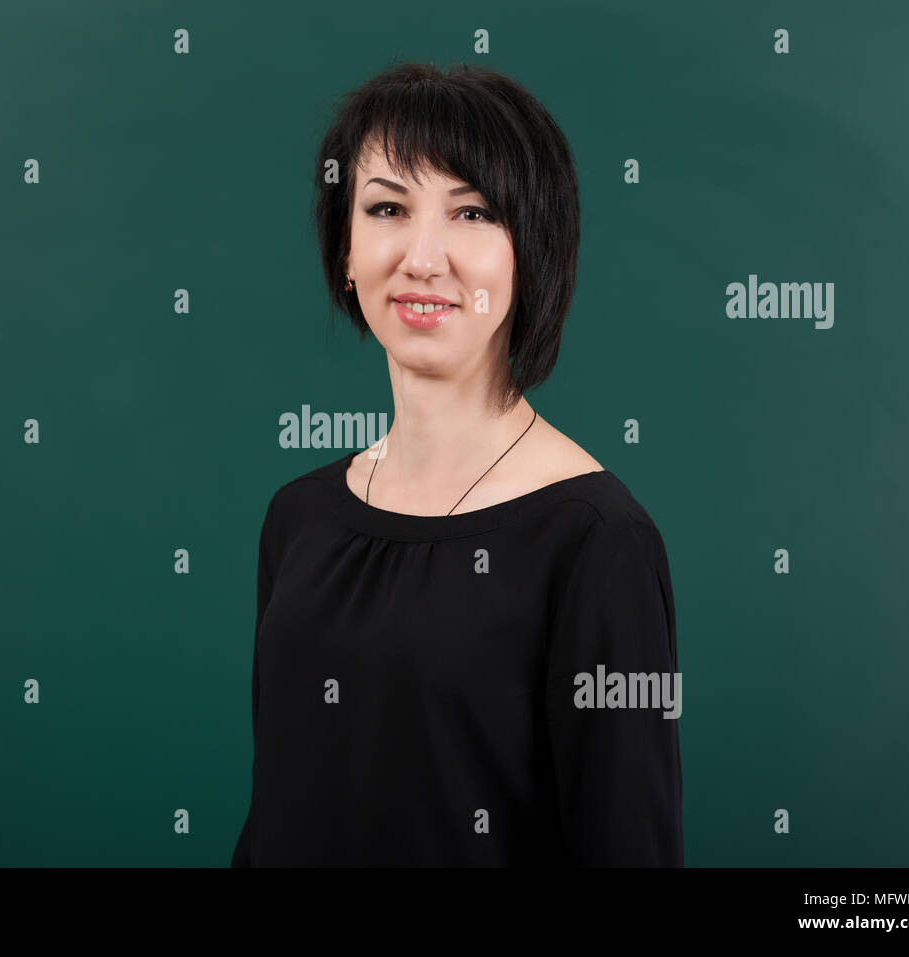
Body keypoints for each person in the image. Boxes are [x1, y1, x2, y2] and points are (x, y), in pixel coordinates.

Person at [232, 62, 683, 866]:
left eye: (472, 210)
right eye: (386, 208)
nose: (422, 256)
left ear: (531, 250)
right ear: (345, 249)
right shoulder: (296, 517)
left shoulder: (597, 542)